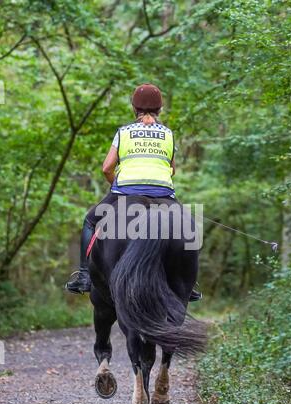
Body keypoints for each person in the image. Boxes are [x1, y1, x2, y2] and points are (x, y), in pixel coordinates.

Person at [66, 83, 201, 301]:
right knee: (189, 227)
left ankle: (84, 276)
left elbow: (106, 167)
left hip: (125, 192)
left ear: (134, 108)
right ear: (160, 109)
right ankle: (188, 283)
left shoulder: (124, 132)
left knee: (90, 221)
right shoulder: (168, 134)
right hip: (163, 193)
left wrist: (115, 183)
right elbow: (172, 169)